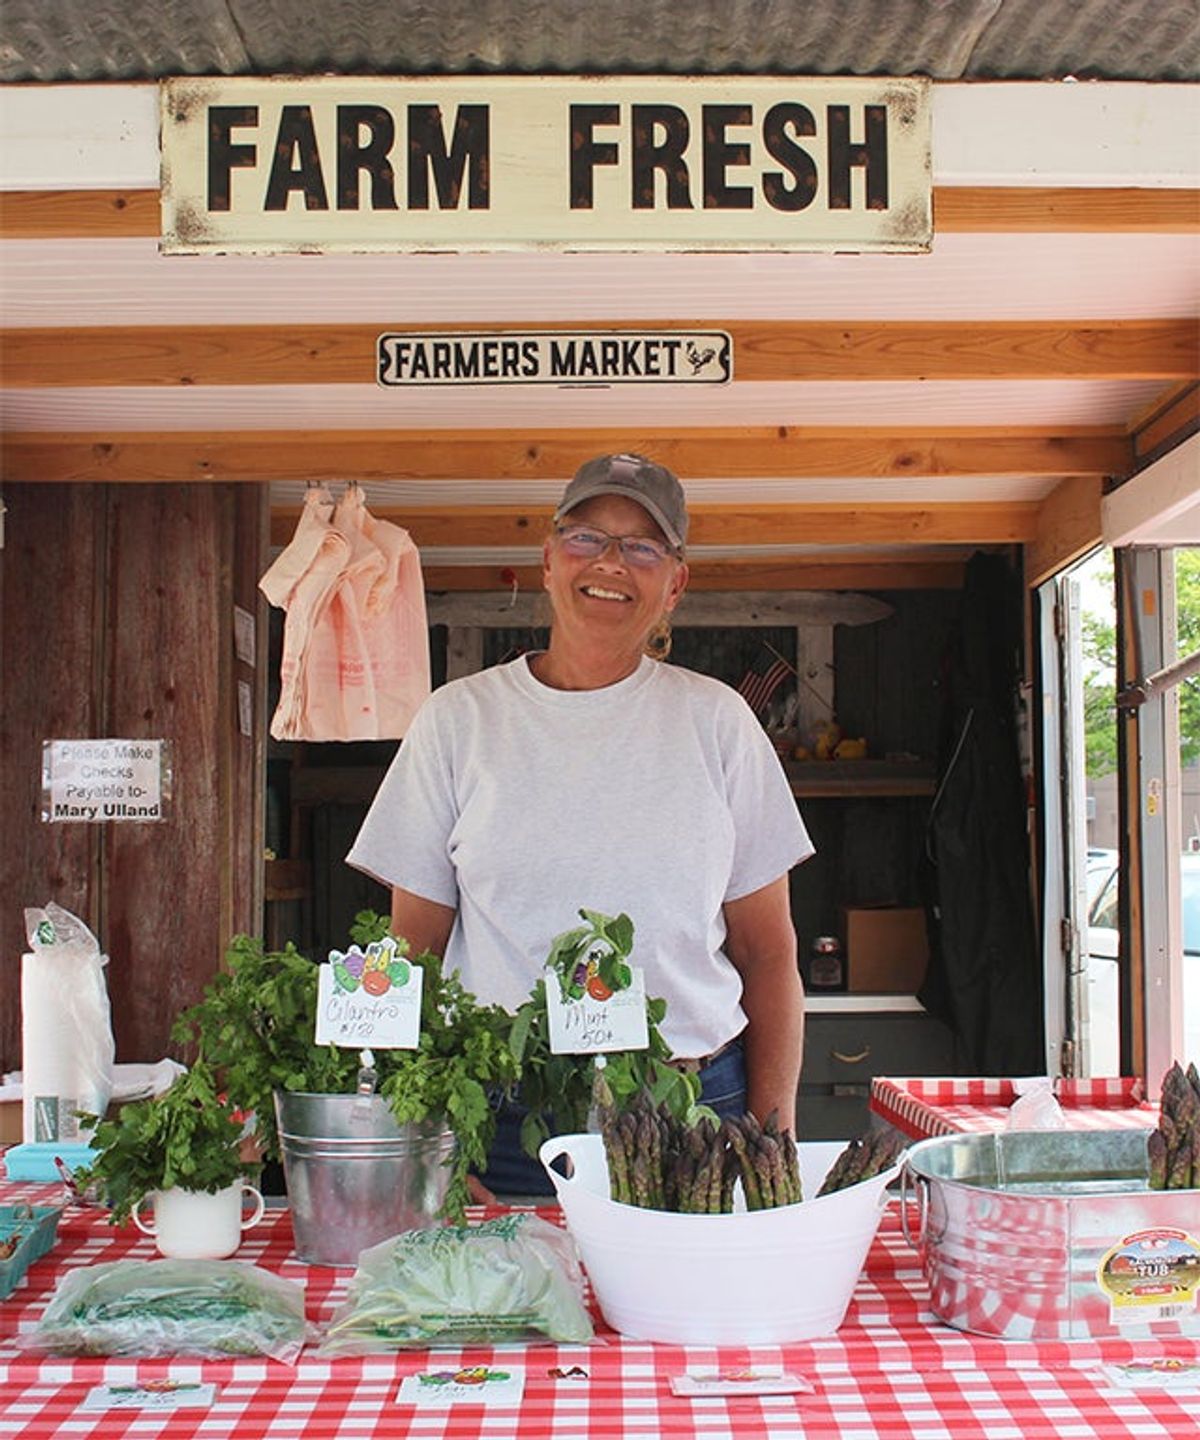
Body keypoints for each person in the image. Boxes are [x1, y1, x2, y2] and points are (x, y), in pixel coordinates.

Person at [347, 452, 813, 1193]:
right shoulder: (458, 721)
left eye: (642, 546)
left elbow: (769, 954)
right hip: (500, 1119)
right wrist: (426, 1136)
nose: (611, 563)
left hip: (694, 1109)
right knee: (514, 1310)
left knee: (686, 1313)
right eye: (587, 537)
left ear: (674, 583)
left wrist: (772, 1141)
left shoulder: (717, 722)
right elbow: (413, 954)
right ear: (547, 560)